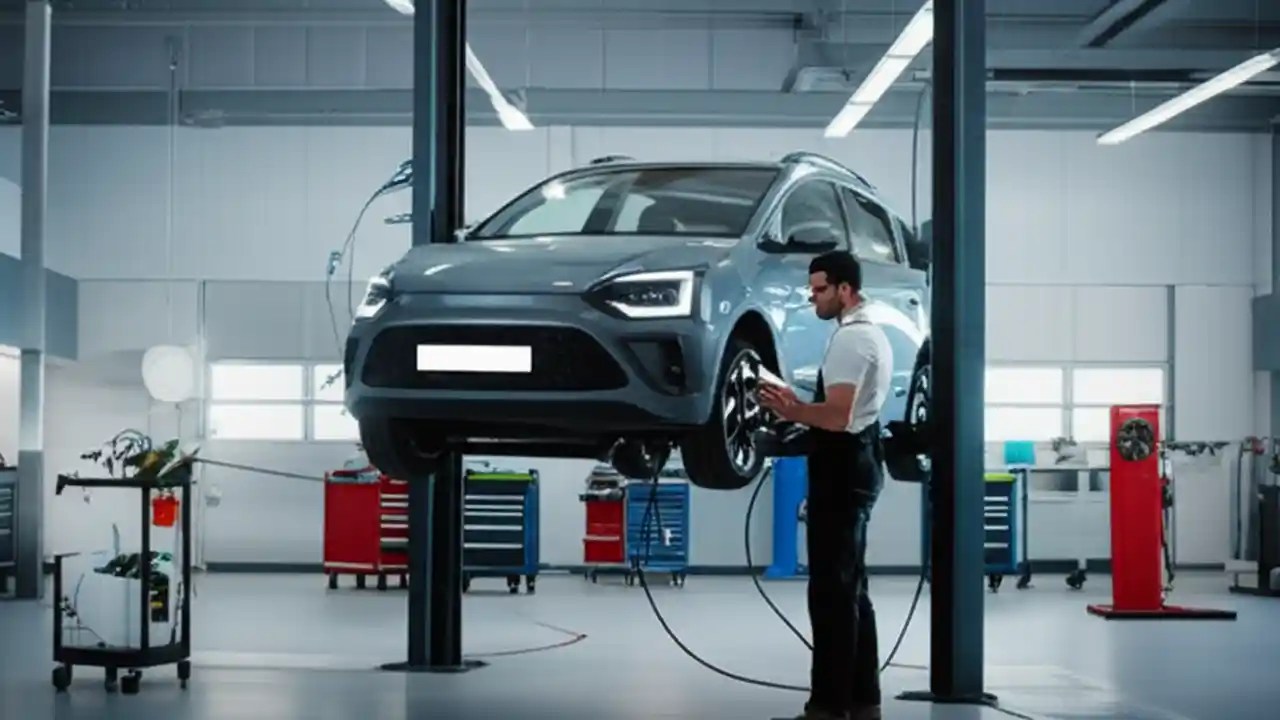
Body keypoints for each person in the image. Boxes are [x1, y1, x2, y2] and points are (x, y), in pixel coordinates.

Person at [759, 250, 893, 720]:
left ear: (845, 290)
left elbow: (837, 416)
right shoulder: (865, 335)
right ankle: (863, 700)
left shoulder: (851, 341)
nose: (813, 297)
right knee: (852, 589)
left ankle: (828, 708)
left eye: (819, 289)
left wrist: (792, 411)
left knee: (831, 593)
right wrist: (797, 404)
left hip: (842, 470)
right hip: (858, 462)